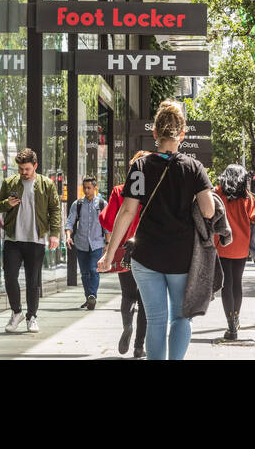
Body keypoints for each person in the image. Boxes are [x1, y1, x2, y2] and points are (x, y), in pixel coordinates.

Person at [99, 100, 214, 361]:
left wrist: (109, 255)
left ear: (155, 134)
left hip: (146, 256)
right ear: (182, 134)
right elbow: (208, 211)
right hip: (181, 257)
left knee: (156, 320)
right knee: (181, 317)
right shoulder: (194, 168)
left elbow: (126, 212)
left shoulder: (139, 167)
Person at [0, 147, 62, 333]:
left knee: (33, 281)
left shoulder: (46, 184)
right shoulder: (10, 183)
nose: (23, 173)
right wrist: (8, 203)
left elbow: (55, 210)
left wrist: (55, 234)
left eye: (27, 169)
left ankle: (32, 316)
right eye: (21, 169)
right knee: (10, 278)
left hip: (36, 239)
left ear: (35, 166)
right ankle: (16, 313)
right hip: (13, 239)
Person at [100, 151, 148, 358]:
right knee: (146, 299)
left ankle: (127, 325)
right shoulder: (154, 193)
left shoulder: (119, 191)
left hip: (124, 251)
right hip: (149, 250)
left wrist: (109, 247)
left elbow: (108, 220)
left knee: (128, 294)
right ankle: (139, 346)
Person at [215, 164, 255, 340]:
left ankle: (230, 325)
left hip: (222, 244)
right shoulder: (247, 197)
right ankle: (236, 317)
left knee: (226, 284)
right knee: (237, 283)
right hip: (241, 245)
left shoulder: (217, 193)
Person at [65, 176, 107, 310]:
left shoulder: (102, 204)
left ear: (95, 188)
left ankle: (92, 296)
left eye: (89, 188)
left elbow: (107, 225)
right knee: (84, 273)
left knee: (93, 270)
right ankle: (88, 298)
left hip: (97, 243)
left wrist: (108, 243)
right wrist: (68, 236)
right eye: (85, 188)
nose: (86, 190)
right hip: (81, 243)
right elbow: (70, 222)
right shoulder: (77, 204)